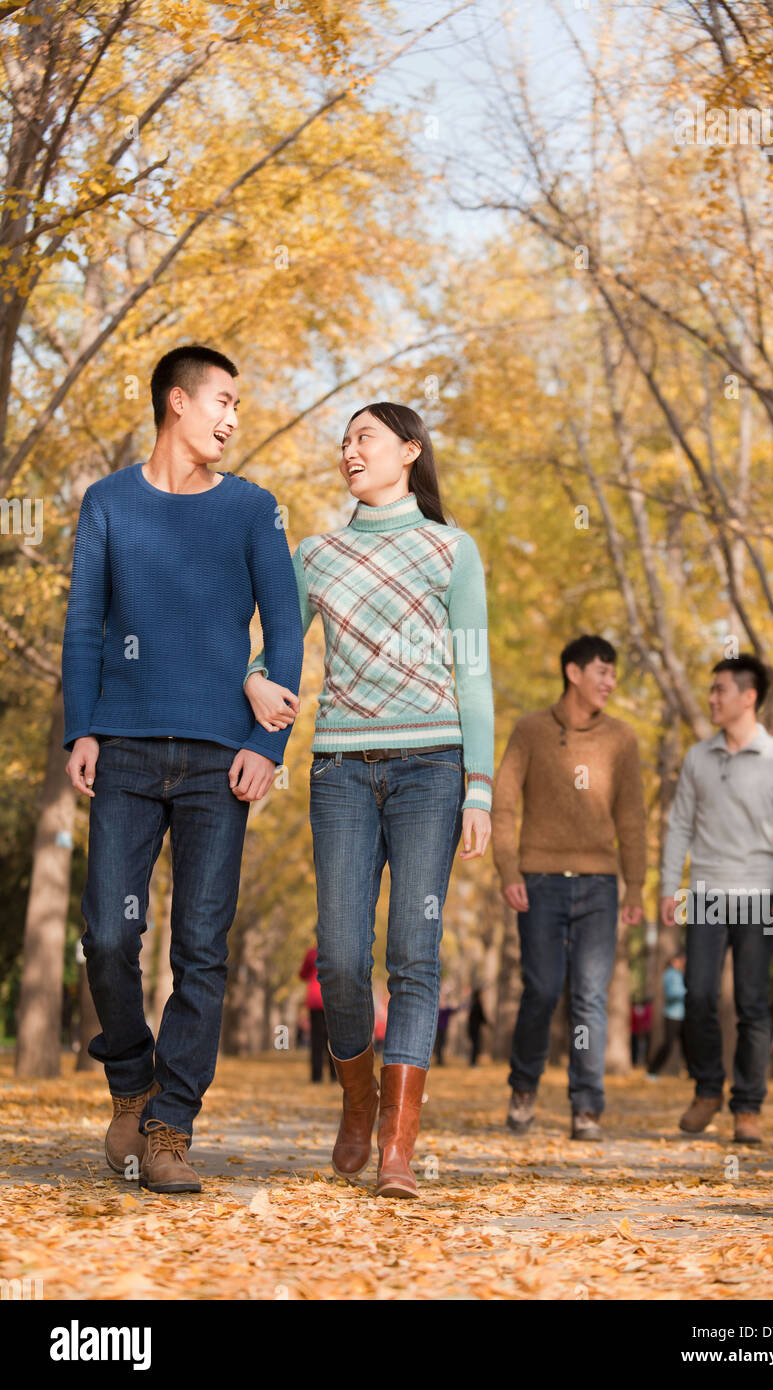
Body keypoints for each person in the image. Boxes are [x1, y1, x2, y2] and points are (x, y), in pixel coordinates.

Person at [62, 345, 303, 1194]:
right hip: (123, 749)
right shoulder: (108, 504)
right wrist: (79, 730)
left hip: (217, 761)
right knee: (108, 935)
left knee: (201, 948)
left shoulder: (253, 511)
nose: (233, 418)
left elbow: (286, 627)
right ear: (177, 402)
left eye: (238, 404)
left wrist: (265, 744)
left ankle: (171, 1126)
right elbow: (85, 625)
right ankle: (131, 1081)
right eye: (223, 401)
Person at [243, 402, 494, 1198]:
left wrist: (480, 787)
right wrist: (254, 678)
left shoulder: (451, 551)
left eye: (366, 438)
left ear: (409, 453)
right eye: (346, 440)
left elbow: (475, 675)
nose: (350, 450)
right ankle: (359, 1096)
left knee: (415, 957)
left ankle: (398, 1147)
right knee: (343, 960)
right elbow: (275, 648)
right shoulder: (314, 555)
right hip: (342, 771)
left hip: (433, 770)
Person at [491, 635, 646, 1141]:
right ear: (573, 673)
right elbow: (505, 803)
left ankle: (586, 1106)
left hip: (600, 885)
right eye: (602, 670)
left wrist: (637, 885)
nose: (610, 682)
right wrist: (508, 871)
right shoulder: (530, 730)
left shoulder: (622, 739)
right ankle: (524, 1089)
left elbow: (633, 817)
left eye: (613, 673)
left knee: (589, 997)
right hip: (539, 882)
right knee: (541, 988)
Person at [661, 654, 773, 1144]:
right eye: (710, 689)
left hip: (758, 892)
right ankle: (706, 1090)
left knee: (751, 1002)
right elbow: (679, 823)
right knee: (697, 994)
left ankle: (748, 1106)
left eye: (720, 689)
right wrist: (668, 887)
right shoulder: (699, 757)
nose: (711, 697)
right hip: (703, 891)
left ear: (749, 697)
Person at [299, 944, 336, 1083]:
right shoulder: (335, 950)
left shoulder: (312, 952)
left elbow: (302, 974)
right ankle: (334, 1075)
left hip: (314, 999)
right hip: (331, 998)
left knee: (316, 1039)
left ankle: (316, 1076)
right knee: (332, 1039)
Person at [647, 954, 687, 1077]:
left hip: (683, 1015)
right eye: (680, 960)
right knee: (668, 1044)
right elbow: (672, 993)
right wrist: (688, 991)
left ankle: (693, 1072)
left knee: (689, 1045)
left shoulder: (681, 974)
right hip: (672, 1015)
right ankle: (652, 1071)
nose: (682, 962)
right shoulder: (670, 974)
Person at [434, 996, 457, 1066]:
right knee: (440, 1044)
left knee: (440, 1044)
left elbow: (454, 1010)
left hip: (440, 1029)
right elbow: (454, 1010)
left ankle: (439, 1059)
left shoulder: (441, 1010)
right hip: (441, 1029)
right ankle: (439, 1060)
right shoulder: (444, 1010)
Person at [467, 987, 488, 1066]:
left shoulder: (474, 1004)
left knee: (475, 1045)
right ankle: (473, 1062)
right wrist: (487, 1023)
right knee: (475, 1045)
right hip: (474, 1028)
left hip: (473, 1028)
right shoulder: (477, 1004)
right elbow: (481, 1016)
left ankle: (473, 1061)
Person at [630, 997, 653, 1067]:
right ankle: (637, 1061)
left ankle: (639, 1060)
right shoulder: (645, 1009)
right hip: (638, 1030)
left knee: (639, 1046)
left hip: (640, 1030)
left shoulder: (646, 1009)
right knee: (638, 1046)